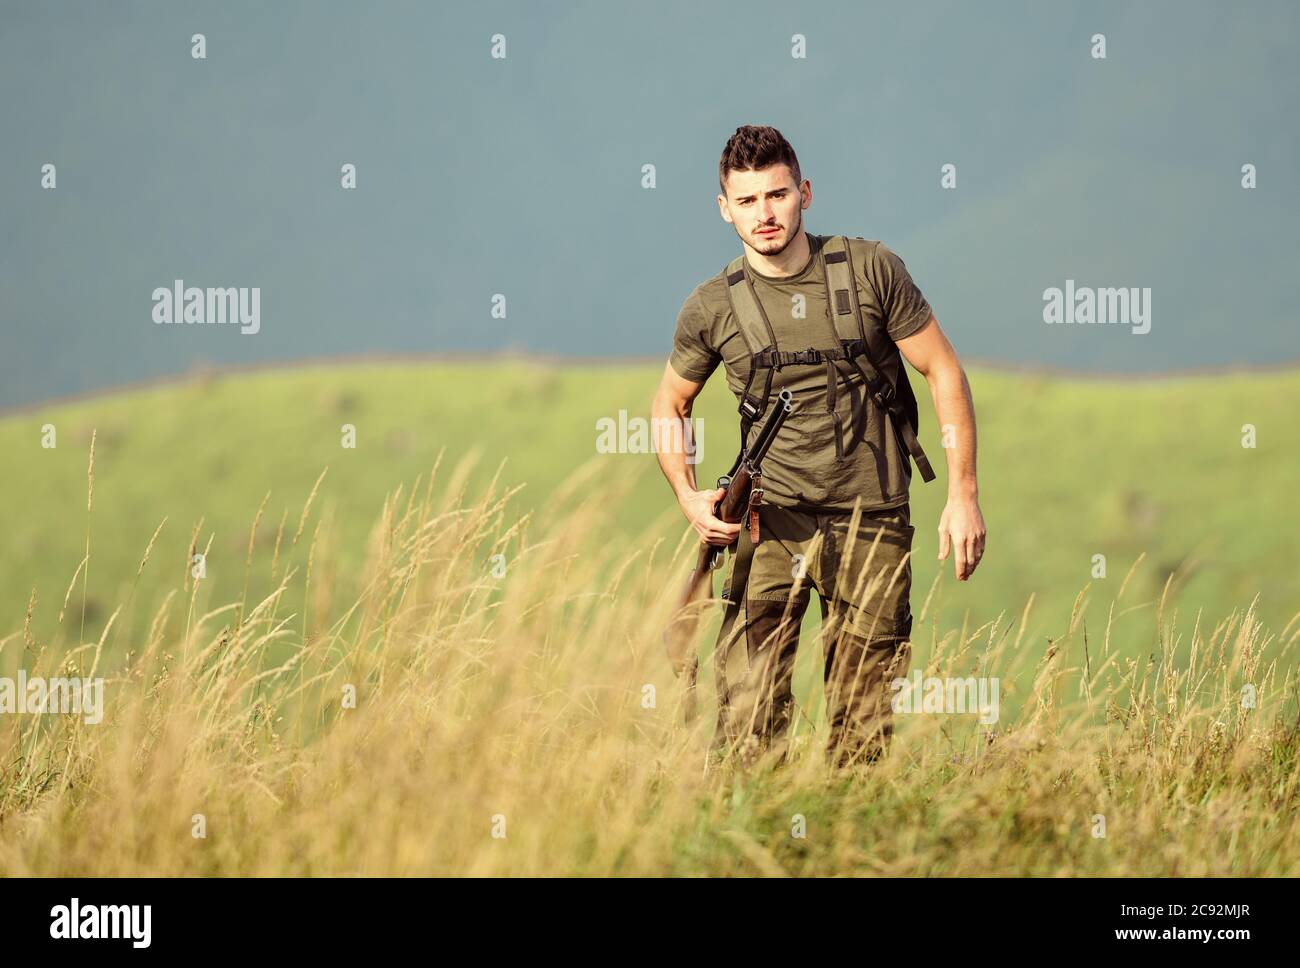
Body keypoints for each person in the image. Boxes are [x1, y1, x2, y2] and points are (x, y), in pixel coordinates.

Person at [651, 125, 986, 769]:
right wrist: (689, 497)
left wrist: (963, 496)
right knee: (747, 717)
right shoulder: (712, 307)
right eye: (746, 202)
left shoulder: (870, 271)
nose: (765, 214)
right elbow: (670, 402)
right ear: (725, 208)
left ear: (804, 192)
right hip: (767, 524)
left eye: (777, 195)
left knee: (865, 722)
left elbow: (944, 371)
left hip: (873, 519)